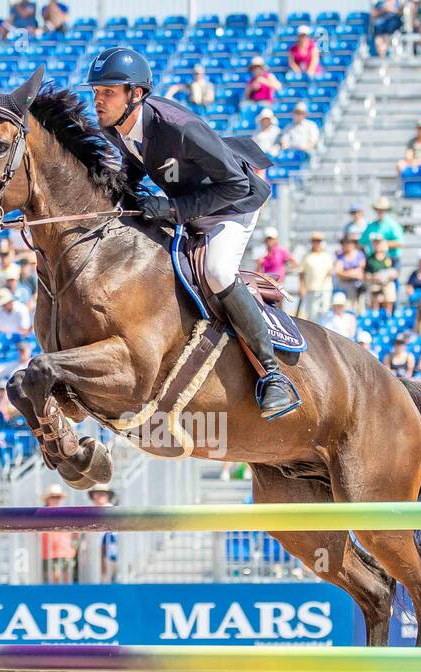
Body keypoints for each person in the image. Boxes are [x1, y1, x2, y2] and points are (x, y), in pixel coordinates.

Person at [84, 48, 297, 419]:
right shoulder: (114, 123)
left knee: (216, 271)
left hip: (233, 205)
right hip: (189, 202)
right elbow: (135, 164)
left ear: (136, 94)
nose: (98, 101)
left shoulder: (178, 127)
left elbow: (235, 185)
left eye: (108, 92)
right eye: (96, 92)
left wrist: (173, 210)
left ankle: (273, 375)